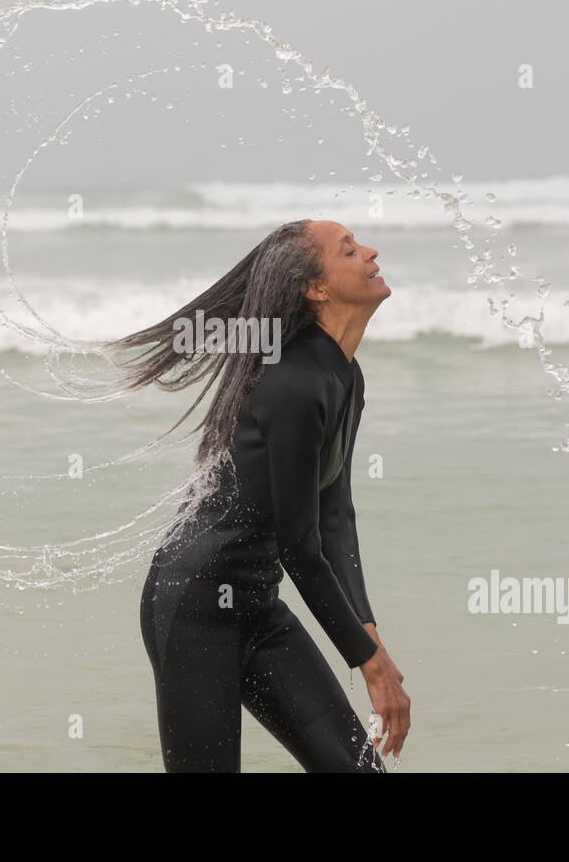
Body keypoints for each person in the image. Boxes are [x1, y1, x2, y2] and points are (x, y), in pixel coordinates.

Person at [107, 218, 410, 772]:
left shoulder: (344, 375)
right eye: (349, 250)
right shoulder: (292, 385)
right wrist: (368, 664)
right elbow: (299, 545)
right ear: (316, 288)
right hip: (195, 611)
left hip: (256, 608)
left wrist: (368, 631)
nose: (370, 251)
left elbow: (333, 510)